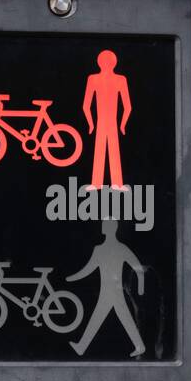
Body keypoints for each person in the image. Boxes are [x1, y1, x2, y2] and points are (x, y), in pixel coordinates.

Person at [66, 217, 146, 357]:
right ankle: (139, 346)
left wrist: (140, 288)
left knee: (108, 318)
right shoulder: (102, 249)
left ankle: (82, 346)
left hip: (113, 292)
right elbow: (88, 269)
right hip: (108, 292)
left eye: (105, 225)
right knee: (108, 318)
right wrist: (72, 278)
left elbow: (138, 268)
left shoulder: (117, 249)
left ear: (110, 228)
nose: (102, 227)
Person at [82, 49, 131, 189]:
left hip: (101, 122)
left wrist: (91, 123)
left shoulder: (93, 79)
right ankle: (116, 184)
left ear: (99, 62)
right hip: (112, 122)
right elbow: (128, 107)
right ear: (114, 63)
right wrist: (122, 124)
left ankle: (97, 183)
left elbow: (86, 106)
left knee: (100, 151)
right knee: (113, 151)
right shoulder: (120, 80)